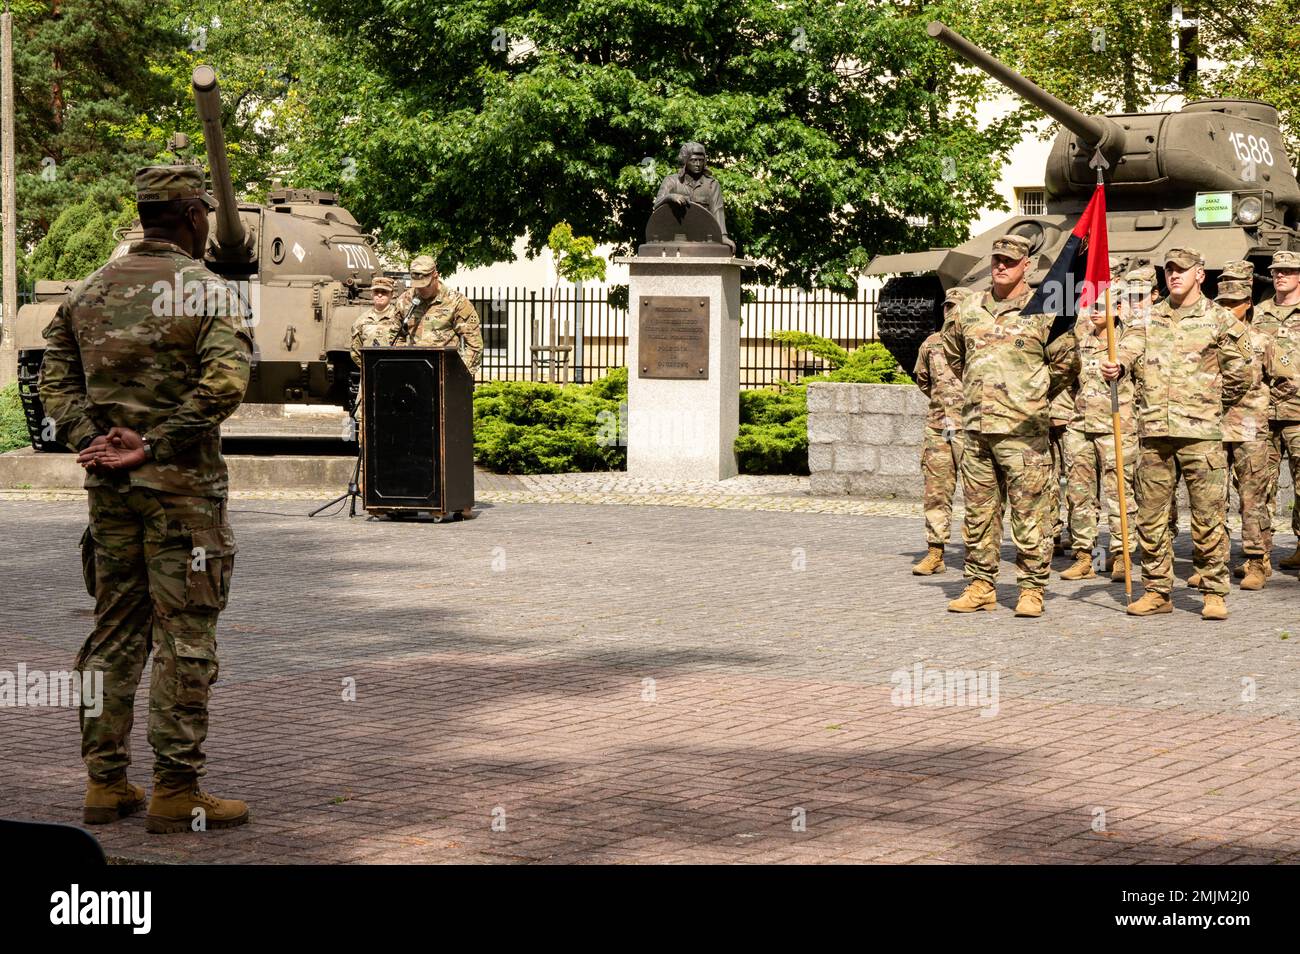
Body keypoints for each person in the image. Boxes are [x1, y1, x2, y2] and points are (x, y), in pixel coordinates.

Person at [39, 165, 253, 832]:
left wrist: (94, 441)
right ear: (193, 215)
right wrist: (154, 443)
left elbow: (55, 379)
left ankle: (104, 786)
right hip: (182, 501)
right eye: (205, 215)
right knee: (185, 637)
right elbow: (225, 385)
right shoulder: (209, 292)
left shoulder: (87, 293)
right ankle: (175, 790)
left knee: (113, 633)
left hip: (111, 498)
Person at [1103, 248, 1252, 619]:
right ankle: (1157, 591)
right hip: (1154, 433)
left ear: (1200, 274)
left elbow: (1242, 373)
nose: (1174, 276)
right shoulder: (1147, 318)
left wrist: (1208, 404)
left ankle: (1214, 593)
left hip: (1201, 435)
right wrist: (1117, 365)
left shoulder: (1219, 319)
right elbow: (1128, 350)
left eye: (1182, 270)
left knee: (1208, 516)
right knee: (1151, 517)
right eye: (1169, 270)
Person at [942, 234, 1079, 617]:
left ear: (1027, 266)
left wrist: (1031, 394)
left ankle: (1031, 588)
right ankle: (981, 584)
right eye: (997, 259)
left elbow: (1067, 365)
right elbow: (955, 357)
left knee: (1030, 513)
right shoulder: (968, 309)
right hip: (977, 429)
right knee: (979, 513)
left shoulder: (1045, 311)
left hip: (1024, 433)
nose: (1001, 266)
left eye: (1010, 261)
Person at [1187, 278, 1284, 590]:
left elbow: (1286, 378)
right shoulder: (1206, 339)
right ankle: (1213, 563)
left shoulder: (1262, 340)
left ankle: (1257, 560)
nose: (1228, 309)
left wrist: (1263, 407)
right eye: (1223, 303)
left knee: (1252, 499)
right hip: (1211, 428)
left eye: (1235, 303)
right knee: (1211, 500)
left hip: (1249, 430)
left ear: (1248, 305)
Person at [1062, 278, 1138, 582]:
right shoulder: (1082, 339)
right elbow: (1067, 378)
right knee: (1080, 495)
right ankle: (1085, 556)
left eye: (1101, 306)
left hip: (1115, 428)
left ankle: (1121, 555)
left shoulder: (1129, 339)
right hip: (1081, 426)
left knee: (1119, 494)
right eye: (1091, 305)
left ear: (1117, 309)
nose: (1094, 311)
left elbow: (1138, 372)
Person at [912, 285, 976, 575]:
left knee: (978, 494)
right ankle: (935, 552)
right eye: (947, 307)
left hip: (972, 428)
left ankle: (976, 555)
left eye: (956, 307)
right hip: (939, 428)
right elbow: (924, 381)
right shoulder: (931, 344)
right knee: (936, 492)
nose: (951, 312)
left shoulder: (976, 343)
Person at [1255, 250, 1300, 570]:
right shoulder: (1258, 315)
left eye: (1288, 271)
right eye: (1276, 271)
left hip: (1299, 413)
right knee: (1259, 486)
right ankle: (1260, 554)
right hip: (1265, 413)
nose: (1280, 275)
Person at [381, 255, 483, 375]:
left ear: (435, 276)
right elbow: (394, 337)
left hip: (446, 374)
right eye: (418, 286)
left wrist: (460, 374)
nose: (421, 290)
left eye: (426, 285)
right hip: (414, 374)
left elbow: (474, 345)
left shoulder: (456, 302)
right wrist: (404, 364)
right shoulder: (405, 301)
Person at [654, 142, 734, 251]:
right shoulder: (671, 181)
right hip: (676, 235)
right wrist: (670, 197)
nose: (698, 164)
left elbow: (717, 210)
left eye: (701, 160)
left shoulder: (712, 184)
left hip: (704, 236)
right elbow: (657, 204)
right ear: (685, 161)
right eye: (694, 160)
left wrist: (723, 236)